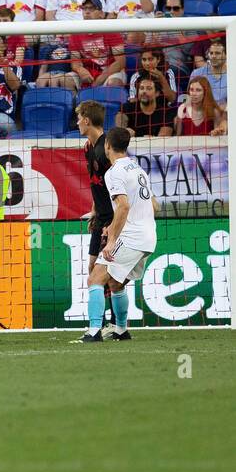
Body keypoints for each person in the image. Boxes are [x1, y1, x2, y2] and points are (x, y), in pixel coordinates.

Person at [78, 127, 157, 342]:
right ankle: (121, 330)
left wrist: (111, 240)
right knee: (116, 283)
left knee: (95, 278)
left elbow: (123, 206)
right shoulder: (138, 169)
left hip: (131, 237)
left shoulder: (114, 172)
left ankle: (94, 331)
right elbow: (154, 206)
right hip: (148, 236)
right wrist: (112, 227)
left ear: (107, 146)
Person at [190, 40, 228, 107]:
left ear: (226, 55)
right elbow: (191, 100)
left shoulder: (232, 74)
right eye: (211, 53)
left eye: (217, 53)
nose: (213, 56)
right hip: (203, 112)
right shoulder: (197, 73)